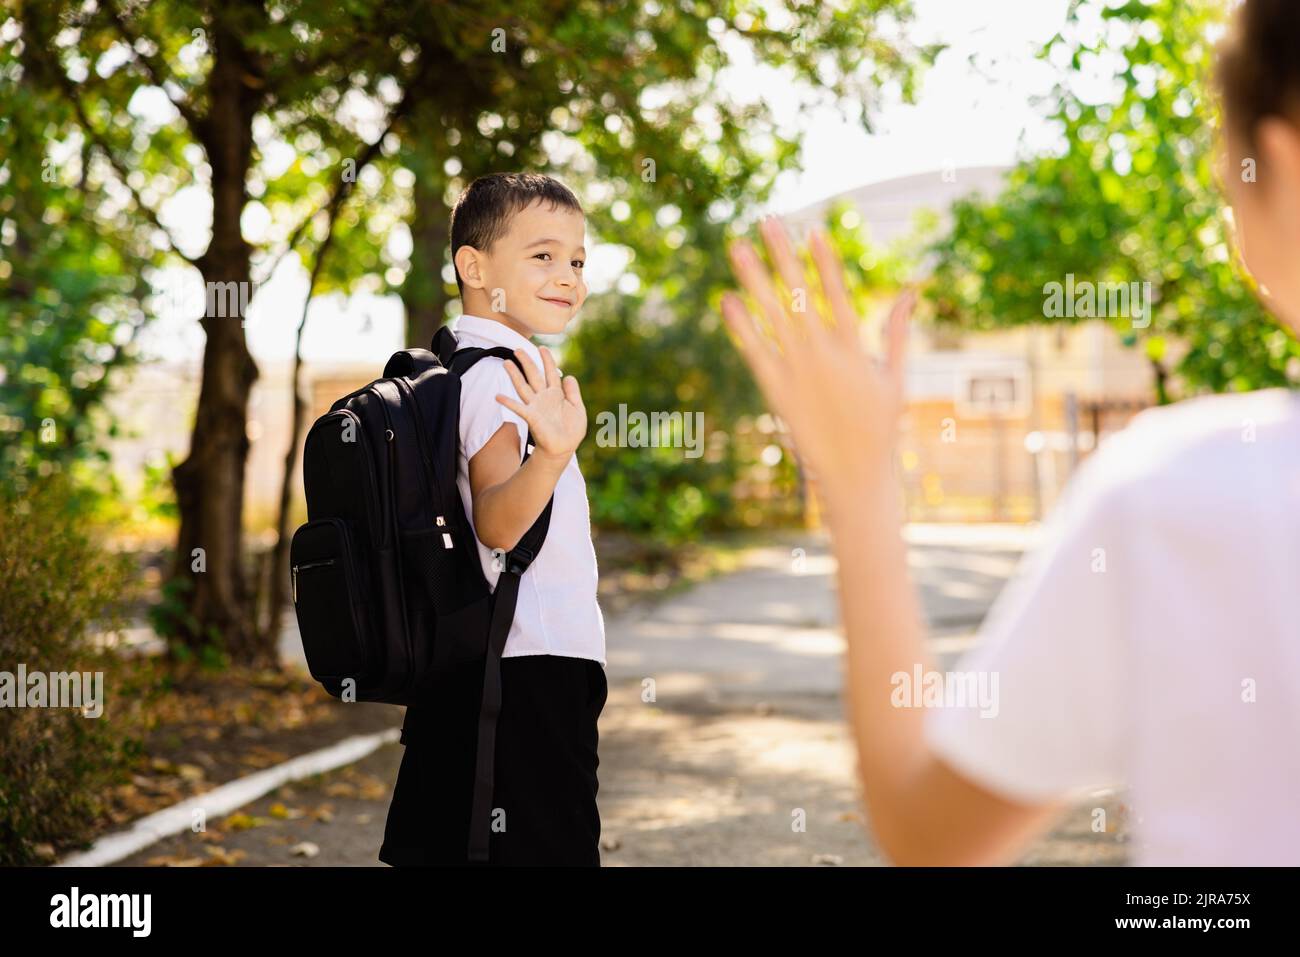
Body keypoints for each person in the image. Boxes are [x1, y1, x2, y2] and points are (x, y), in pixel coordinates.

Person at [719, 0, 1300, 866]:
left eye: (1227, 178)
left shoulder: (1179, 494)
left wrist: (860, 484)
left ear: (1283, 162)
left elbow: (930, 835)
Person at [379, 173, 607, 866]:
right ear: (473, 267)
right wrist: (553, 453)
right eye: (542, 255)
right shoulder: (493, 374)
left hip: (507, 667)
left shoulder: (486, 364)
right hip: (530, 670)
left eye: (576, 260)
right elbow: (499, 523)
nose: (567, 275)